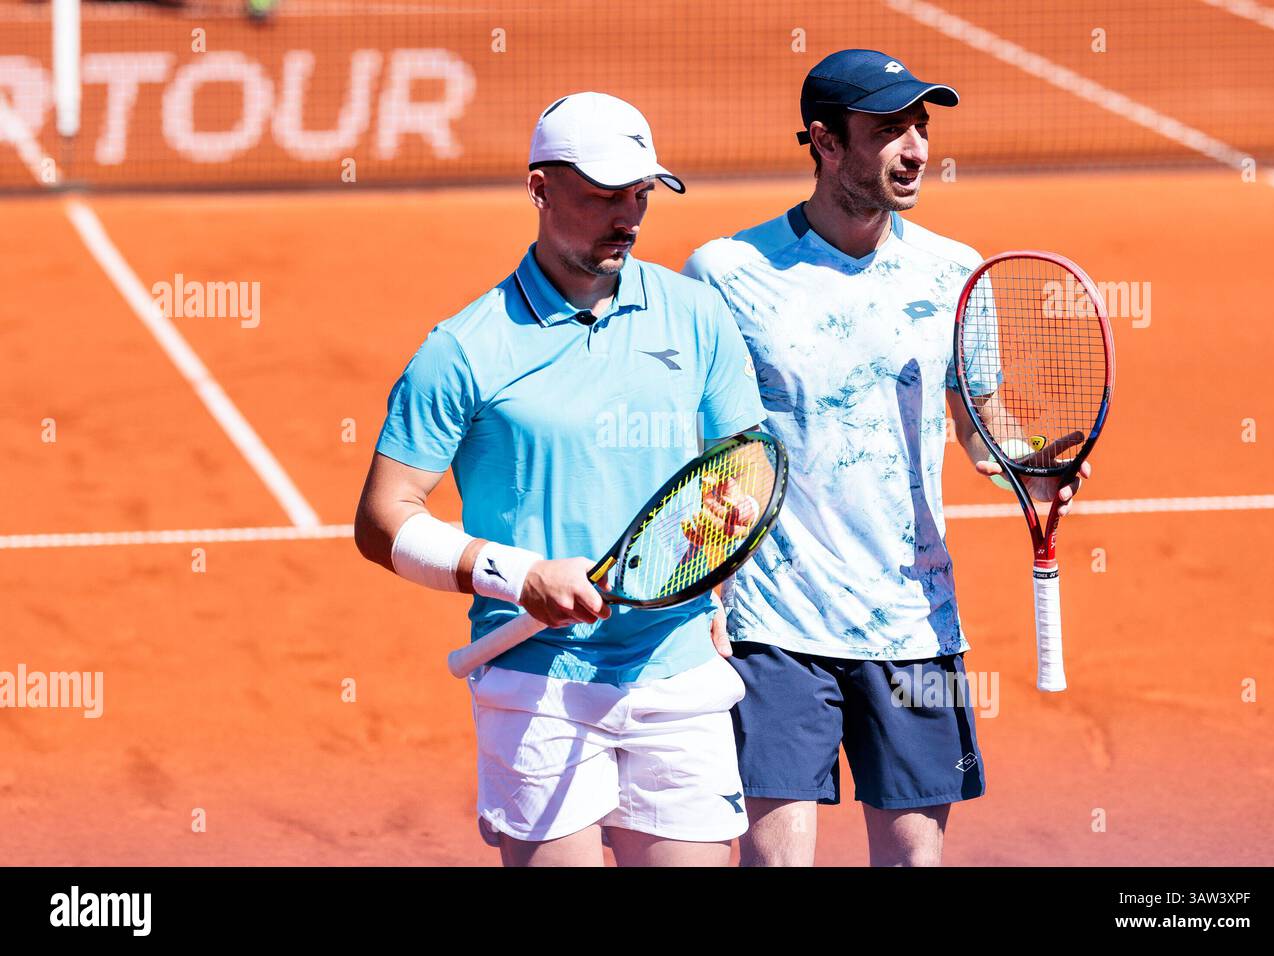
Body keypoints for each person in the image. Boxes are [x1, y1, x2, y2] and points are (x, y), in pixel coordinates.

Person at [685, 50, 1090, 866]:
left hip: (916, 624)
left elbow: (982, 431)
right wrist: (704, 599)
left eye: (920, 126)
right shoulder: (729, 274)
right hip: (775, 623)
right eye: (888, 131)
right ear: (826, 143)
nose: (915, 149)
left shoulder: (954, 272)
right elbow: (704, 451)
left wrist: (1033, 467)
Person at [354, 92, 764, 867]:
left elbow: (742, 474)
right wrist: (519, 576)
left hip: (674, 668)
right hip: (535, 679)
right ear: (539, 187)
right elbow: (383, 519)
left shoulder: (698, 317)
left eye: (640, 193)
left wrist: (715, 581)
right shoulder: (463, 350)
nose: (628, 215)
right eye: (605, 193)